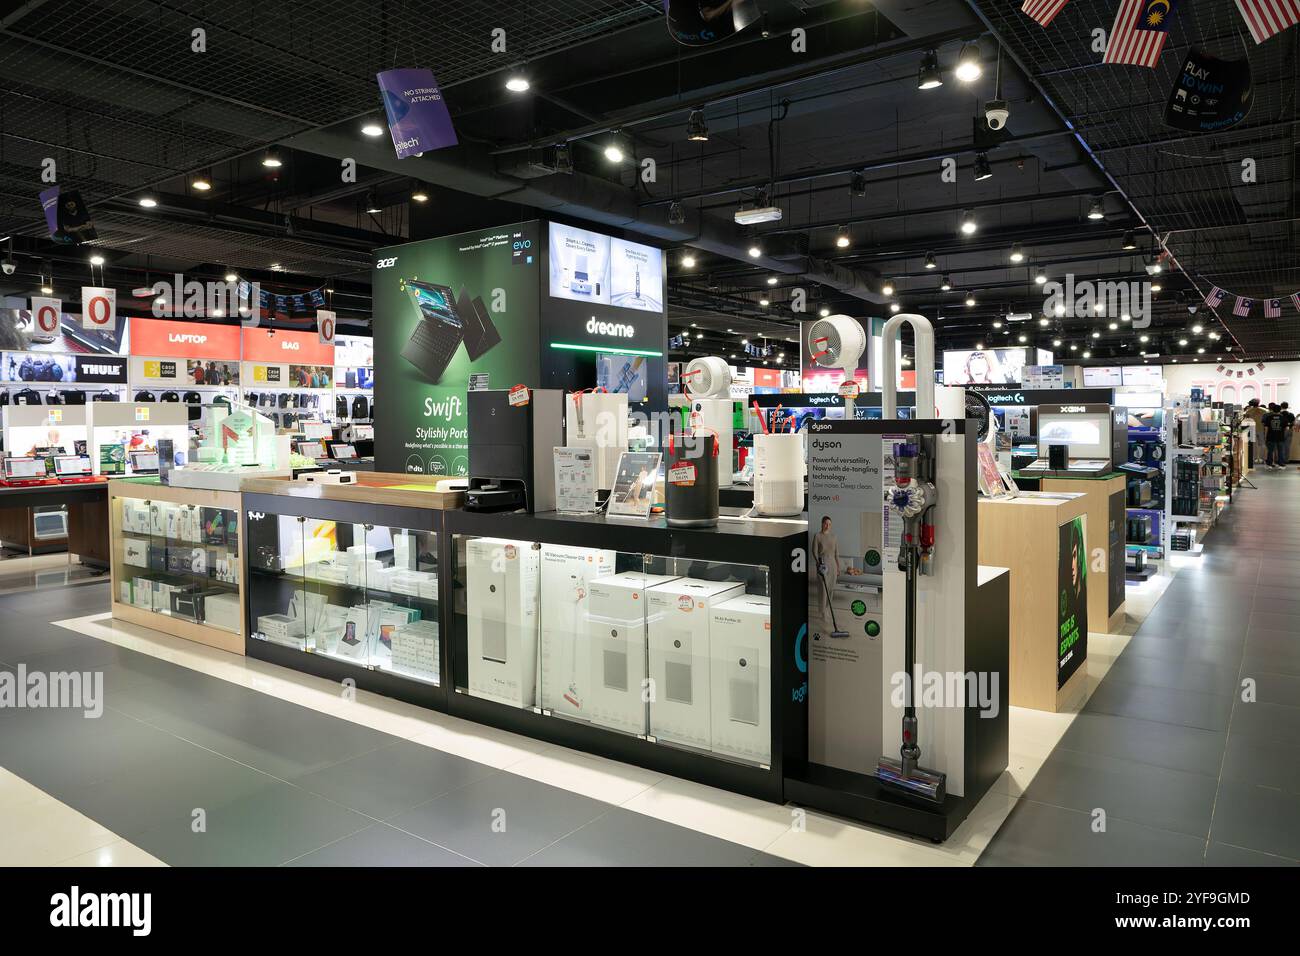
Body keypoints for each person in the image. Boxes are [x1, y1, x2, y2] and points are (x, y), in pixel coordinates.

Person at [1262, 402, 1288, 470]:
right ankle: (1281, 465)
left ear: (1273, 410)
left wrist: (1265, 436)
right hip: (1280, 437)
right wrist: (1284, 435)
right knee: (1280, 451)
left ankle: (1269, 465)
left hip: (1270, 436)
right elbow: (1286, 428)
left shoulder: (1269, 417)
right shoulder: (1283, 418)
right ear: (1280, 410)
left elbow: (1266, 428)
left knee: (1270, 451)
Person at [1243, 398, 1267, 469]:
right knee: (1262, 444)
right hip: (1261, 429)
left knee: (1253, 445)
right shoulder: (1264, 411)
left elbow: (1245, 419)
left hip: (1252, 428)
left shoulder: (1248, 411)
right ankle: (1263, 459)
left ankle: (1254, 459)